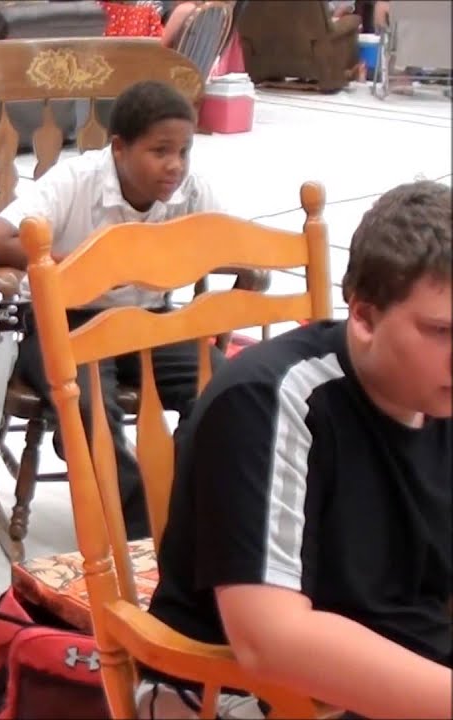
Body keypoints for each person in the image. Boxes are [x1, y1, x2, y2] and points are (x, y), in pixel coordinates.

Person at [142, 180, 452, 719]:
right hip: (232, 687)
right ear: (363, 317)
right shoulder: (269, 401)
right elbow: (270, 641)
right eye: (441, 330)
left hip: (393, 666)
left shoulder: (435, 393)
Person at [0, 80, 224, 540]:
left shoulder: (190, 191)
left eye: (184, 151)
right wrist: (91, 267)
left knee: (224, 387)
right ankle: (143, 529)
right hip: (63, 318)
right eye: (160, 151)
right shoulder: (76, 181)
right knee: (88, 402)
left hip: (147, 322)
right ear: (120, 149)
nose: (175, 166)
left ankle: (179, 497)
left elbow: (227, 246)